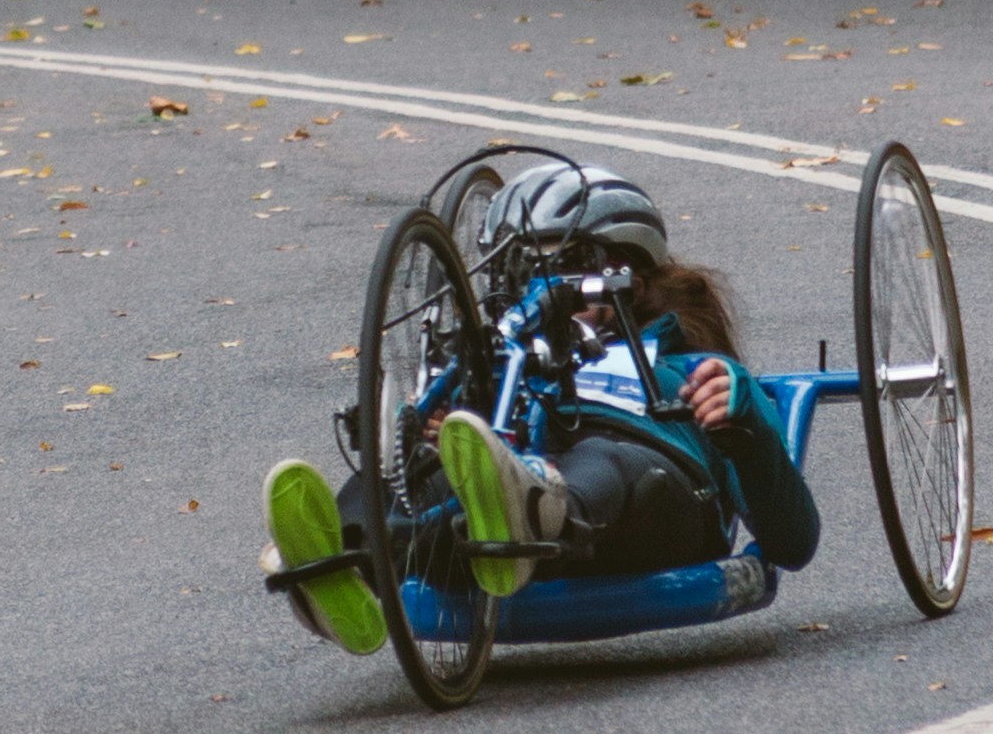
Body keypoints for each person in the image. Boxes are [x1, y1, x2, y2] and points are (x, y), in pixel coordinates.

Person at [262, 166, 821, 655]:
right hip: (503, 535)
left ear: (629, 273)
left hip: (657, 504)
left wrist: (742, 425)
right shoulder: (505, 367)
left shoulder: (695, 368)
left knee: (605, 455)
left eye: (569, 265)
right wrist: (436, 437)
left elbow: (793, 543)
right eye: (524, 271)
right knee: (412, 476)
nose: (544, 287)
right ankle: (342, 560)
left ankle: (540, 504)